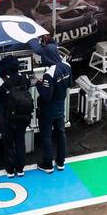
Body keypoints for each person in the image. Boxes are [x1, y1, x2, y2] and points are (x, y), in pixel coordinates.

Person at [34, 40, 72, 173]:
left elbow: (46, 96)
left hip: (48, 109)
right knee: (61, 133)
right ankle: (61, 162)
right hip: (60, 106)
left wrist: (39, 84)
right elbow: (69, 84)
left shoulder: (49, 74)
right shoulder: (67, 66)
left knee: (46, 136)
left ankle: (47, 164)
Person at [0, 55, 34, 177]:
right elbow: (28, 86)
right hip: (23, 115)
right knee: (20, 141)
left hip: (7, 116)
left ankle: (9, 169)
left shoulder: (2, 81)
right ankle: (20, 168)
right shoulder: (25, 77)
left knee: (9, 143)